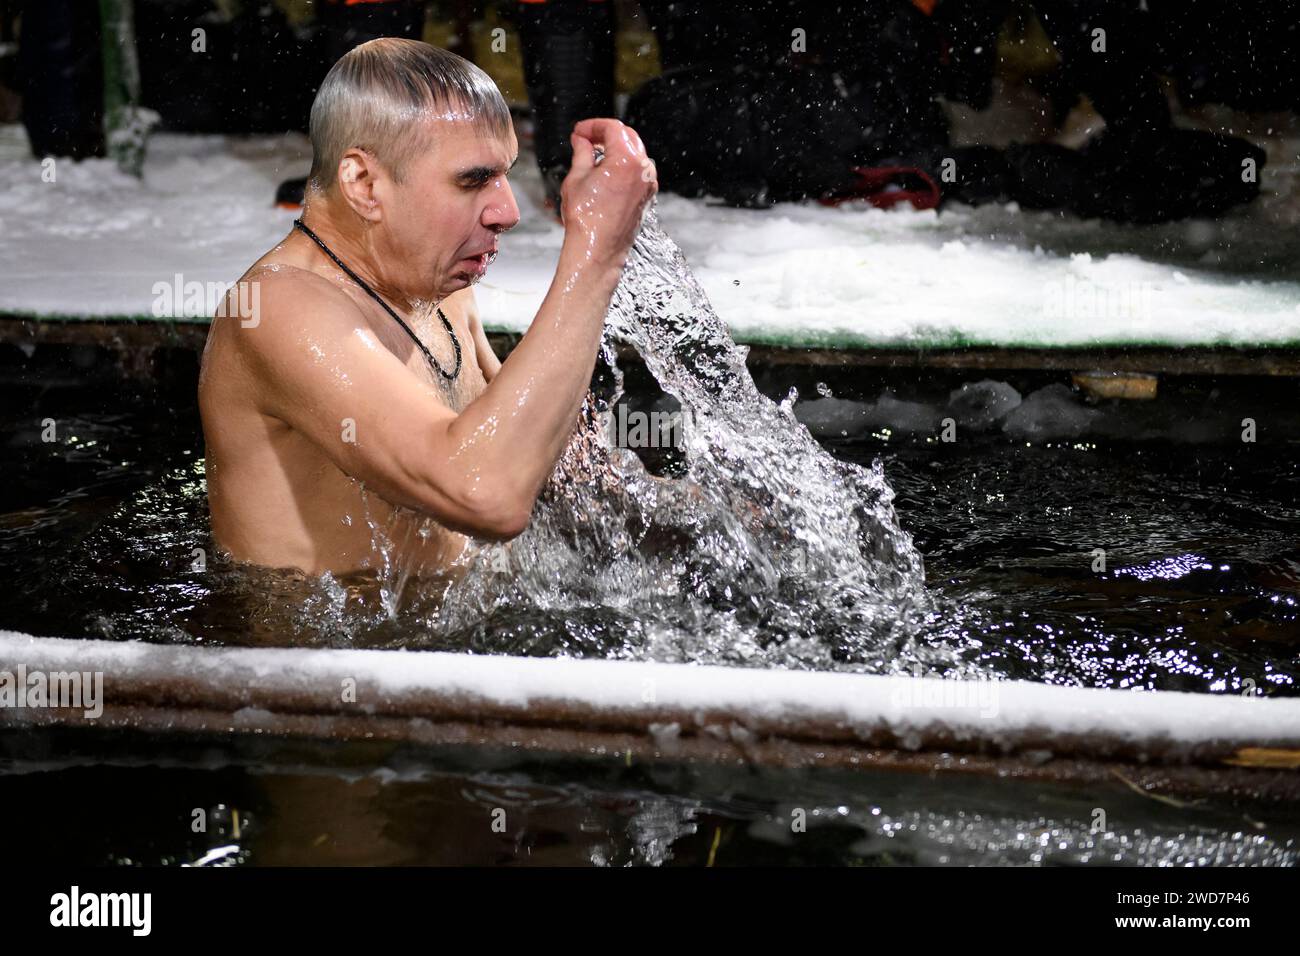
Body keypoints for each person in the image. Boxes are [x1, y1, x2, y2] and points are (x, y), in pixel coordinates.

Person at [199, 37, 656, 577]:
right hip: (336, 656)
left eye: (505, 174)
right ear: (364, 183)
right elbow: (487, 495)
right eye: (474, 180)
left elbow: (547, 467)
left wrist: (696, 510)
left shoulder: (439, 286)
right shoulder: (279, 310)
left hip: (441, 637)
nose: (507, 211)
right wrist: (596, 254)